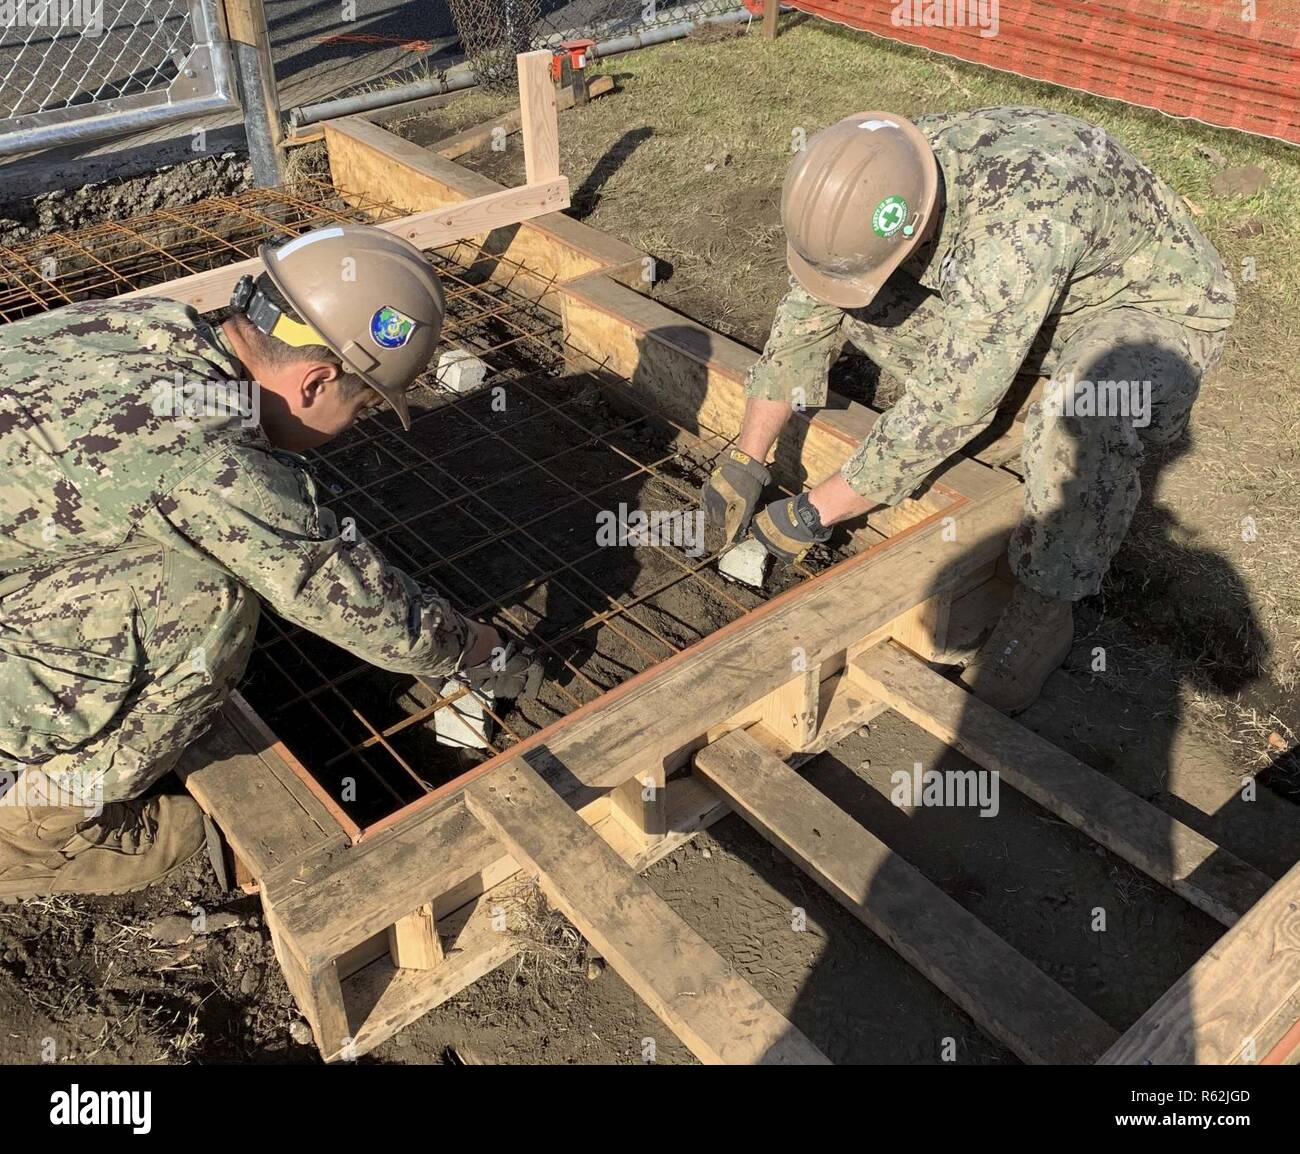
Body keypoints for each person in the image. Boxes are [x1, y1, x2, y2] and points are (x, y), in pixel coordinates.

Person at [0, 224, 538, 900]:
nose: (357, 424)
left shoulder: (145, 321)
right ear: (317, 380)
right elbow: (343, 597)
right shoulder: (209, 459)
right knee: (205, 600)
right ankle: (32, 835)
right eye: (365, 406)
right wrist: (473, 649)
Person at [703, 108, 1235, 713]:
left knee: (1080, 411)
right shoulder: (885, 177)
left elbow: (946, 402)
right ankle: (1013, 388)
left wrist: (812, 511)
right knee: (870, 309)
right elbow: (808, 312)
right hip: (1037, 299)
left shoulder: (1018, 227)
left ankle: (1045, 608)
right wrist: (746, 459)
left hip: (1150, 314)